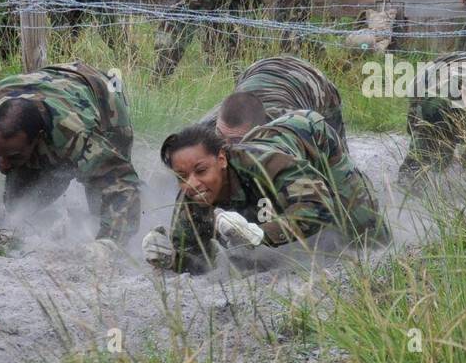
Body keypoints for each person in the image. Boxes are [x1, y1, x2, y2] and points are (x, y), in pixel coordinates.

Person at [142, 111, 388, 274]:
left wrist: (260, 233)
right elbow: (198, 258)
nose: (192, 183)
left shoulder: (266, 164)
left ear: (221, 159)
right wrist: (169, 258)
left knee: (365, 229)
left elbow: (319, 207)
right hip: (267, 144)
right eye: (182, 177)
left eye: (201, 171)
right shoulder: (191, 198)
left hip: (309, 135)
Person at [0, 61, 141, 246]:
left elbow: (121, 181)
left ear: (39, 138)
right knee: (16, 204)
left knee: (101, 202)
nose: (2, 165)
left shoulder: (75, 135)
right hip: (47, 82)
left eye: (14, 156)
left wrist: (109, 243)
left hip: (101, 93)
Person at [199, 55, 346, 145]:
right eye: (221, 137)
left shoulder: (293, 128)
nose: (227, 147)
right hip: (256, 70)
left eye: (237, 141)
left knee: (336, 157)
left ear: (258, 130)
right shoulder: (213, 124)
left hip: (311, 81)